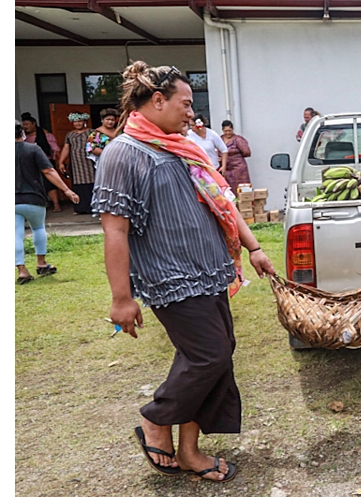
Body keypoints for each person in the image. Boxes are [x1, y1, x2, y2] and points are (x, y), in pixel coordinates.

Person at [93, 61, 276, 482]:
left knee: (215, 356)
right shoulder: (124, 153)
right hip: (171, 279)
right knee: (208, 355)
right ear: (157, 100)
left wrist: (254, 247)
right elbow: (115, 230)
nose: (192, 114)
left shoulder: (181, 146)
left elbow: (222, 201)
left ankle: (190, 451)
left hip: (209, 272)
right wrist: (121, 298)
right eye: (186, 103)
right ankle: (157, 419)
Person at [10, 118, 79, 284]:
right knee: (38, 228)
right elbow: (49, 171)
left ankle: (22, 271)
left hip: (11, 201)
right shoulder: (33, 149)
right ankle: (41, 263)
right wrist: (67, 190)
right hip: (33, 198)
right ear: (22, 133)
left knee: (14, 234)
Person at [21, 112, 63, 212]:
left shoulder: (45, 134)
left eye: (27, 124)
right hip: (29, 164)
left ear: (34, 124)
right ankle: (42, 203)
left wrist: (59, 161)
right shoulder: (22, 137)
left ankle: (56, 204)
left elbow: (55, 149)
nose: (25, 127)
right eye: (24, 125)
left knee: (50, 183)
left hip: (45, 161)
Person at [57, 112, 95, 215]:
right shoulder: (70, 134)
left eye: (80, 121)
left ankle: (93, 208)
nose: (78, 123)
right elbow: (66, 148)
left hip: (90, 162)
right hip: (76, 163)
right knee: (78, 185)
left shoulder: (92, 132)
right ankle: (79, 208)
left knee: (92, 183)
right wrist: (61, 162)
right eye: (75, 122)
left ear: (84, 122)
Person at [220, 120, 251, 191]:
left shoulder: (238, 139)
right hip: (226, 169)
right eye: (225, 131)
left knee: (241, 188)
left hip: (238, 168)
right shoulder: (220, 139)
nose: (227, 133)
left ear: (232, 129)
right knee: (228, 188)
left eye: (229, 131)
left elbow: (246, 152)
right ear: (222, 130)